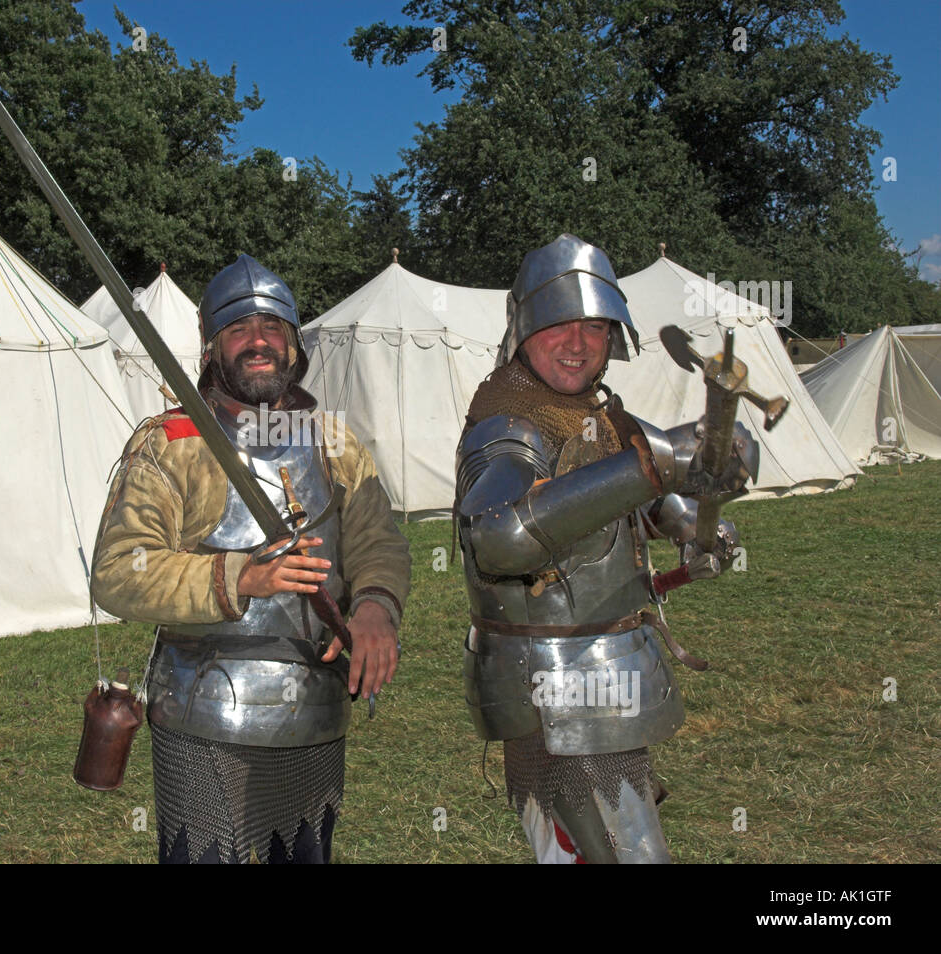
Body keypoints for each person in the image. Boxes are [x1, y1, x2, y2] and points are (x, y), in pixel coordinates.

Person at [91, 254, 410, 864]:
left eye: (272, 329)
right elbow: (118, 568)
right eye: (238, 329)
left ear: (293, 346)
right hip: (206, 710)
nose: (258, 342)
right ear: (212, 349)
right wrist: (239, 575)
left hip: (314, 707)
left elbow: (379, 543)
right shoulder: (173, 443)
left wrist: (374, 607)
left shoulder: (333, 441)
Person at [455, 234, 756, 863]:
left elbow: (649, 498)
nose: (578, 343)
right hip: (554, 690)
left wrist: (699, 518)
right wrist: (653, 466)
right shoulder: (507, 427)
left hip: (606, 673)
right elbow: (499, 537)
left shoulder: (597, 415)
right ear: (524, 330)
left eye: (595, 327)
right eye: (560, 323)